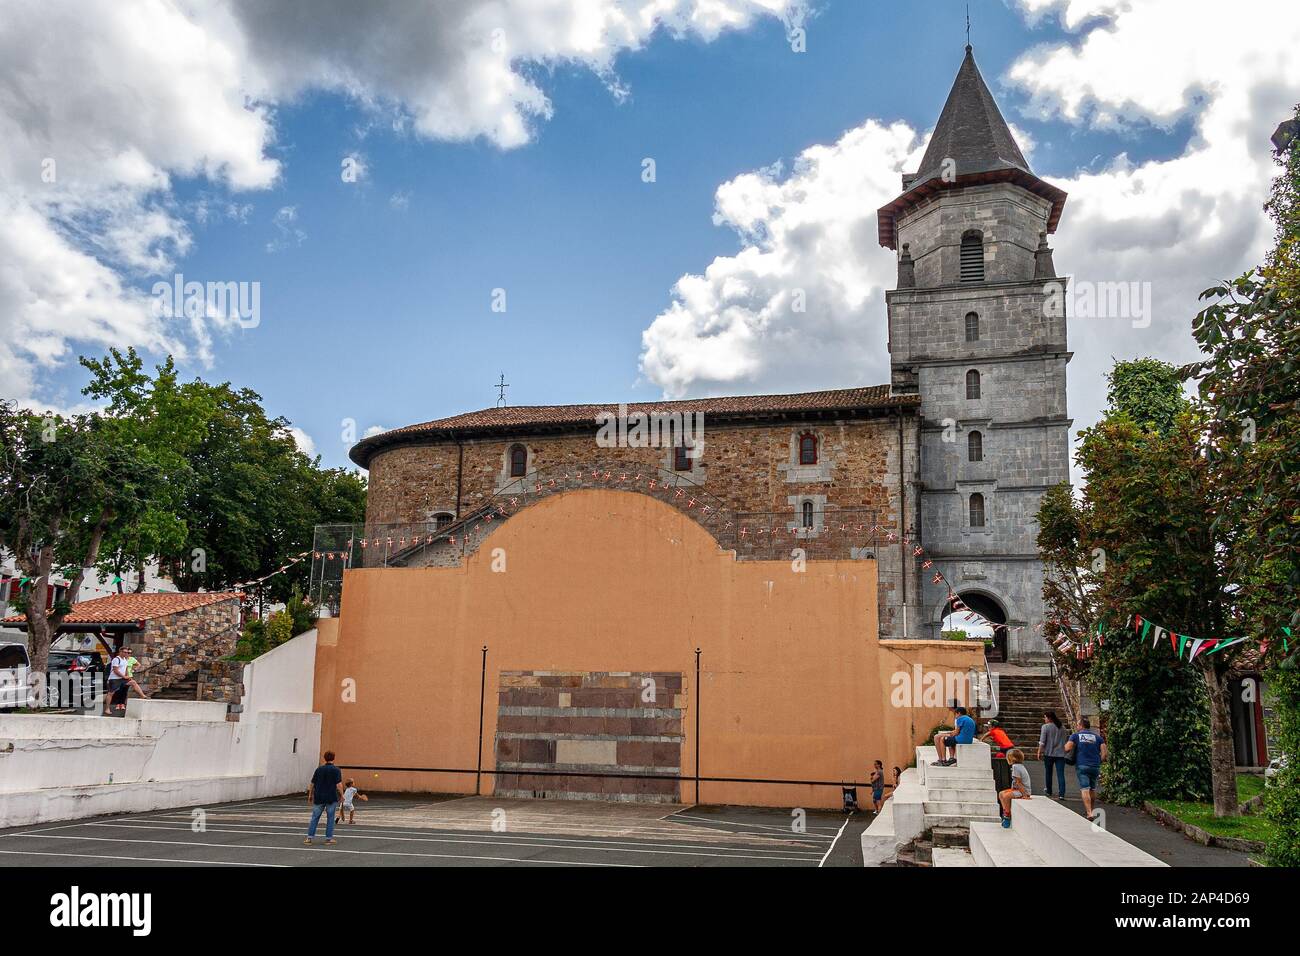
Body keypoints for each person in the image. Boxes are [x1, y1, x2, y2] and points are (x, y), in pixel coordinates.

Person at [1065, 717, 1107, 819]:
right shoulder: (1098, 737)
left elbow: (1067, 748)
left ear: (1081, 726)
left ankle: (1089, 813)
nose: (1077, 726)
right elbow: (1104, 753)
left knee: (1085, 789)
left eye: (1078, 725)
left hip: (1082, 765)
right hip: (1095, 766)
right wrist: (1099, 761)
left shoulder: (1075, 736)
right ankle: (1091, 810)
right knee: (1092, 789)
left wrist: (1067, 745)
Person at [305, 751, 344, 845]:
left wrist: (310, 794)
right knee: (330, 818)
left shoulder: (319, 769)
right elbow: (339, 784)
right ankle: (328, 839)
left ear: (324, 758)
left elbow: (312, 783)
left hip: (319, 796)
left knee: (314, 817)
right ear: (333, 758)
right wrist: (342, 795)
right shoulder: (336, 770)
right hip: (331, 797)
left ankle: (309, 838)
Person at [1037, 710, 1068, 799]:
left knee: (1048, 773)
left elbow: (1042, 742)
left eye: (1045, 717)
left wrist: (1039, 751)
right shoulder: (1062, 727)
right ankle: (1062, 793)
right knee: (1061, 774)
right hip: (1061, 754)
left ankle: (1049, 790)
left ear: (1049, 718)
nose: (1044, 719)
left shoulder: (1045, 727)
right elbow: (1065, 740)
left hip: (1049, 753)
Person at [998, 749, 1032, 827]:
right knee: (1001, 794)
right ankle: (1006, 811)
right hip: (1018, 789)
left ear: (1012, 759)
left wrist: (1025, 795)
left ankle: (1007, 816)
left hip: (1023, 791)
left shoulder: (1015, 767)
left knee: (1006, 796)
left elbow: (1018, 782)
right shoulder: (1018, 766)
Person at [106, 645, 131, 716]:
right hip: (114, 679)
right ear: (120, 652)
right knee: (111, 693)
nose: (126, 654)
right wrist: (124, 676)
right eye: (125, 652)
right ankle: (107, 708)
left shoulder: (125, 660)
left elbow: (125, 669)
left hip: (122, 679)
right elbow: (115, 670)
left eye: (127, 652)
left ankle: (143, 696)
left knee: (133, 683)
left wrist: (127, 676)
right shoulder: (116, 659)